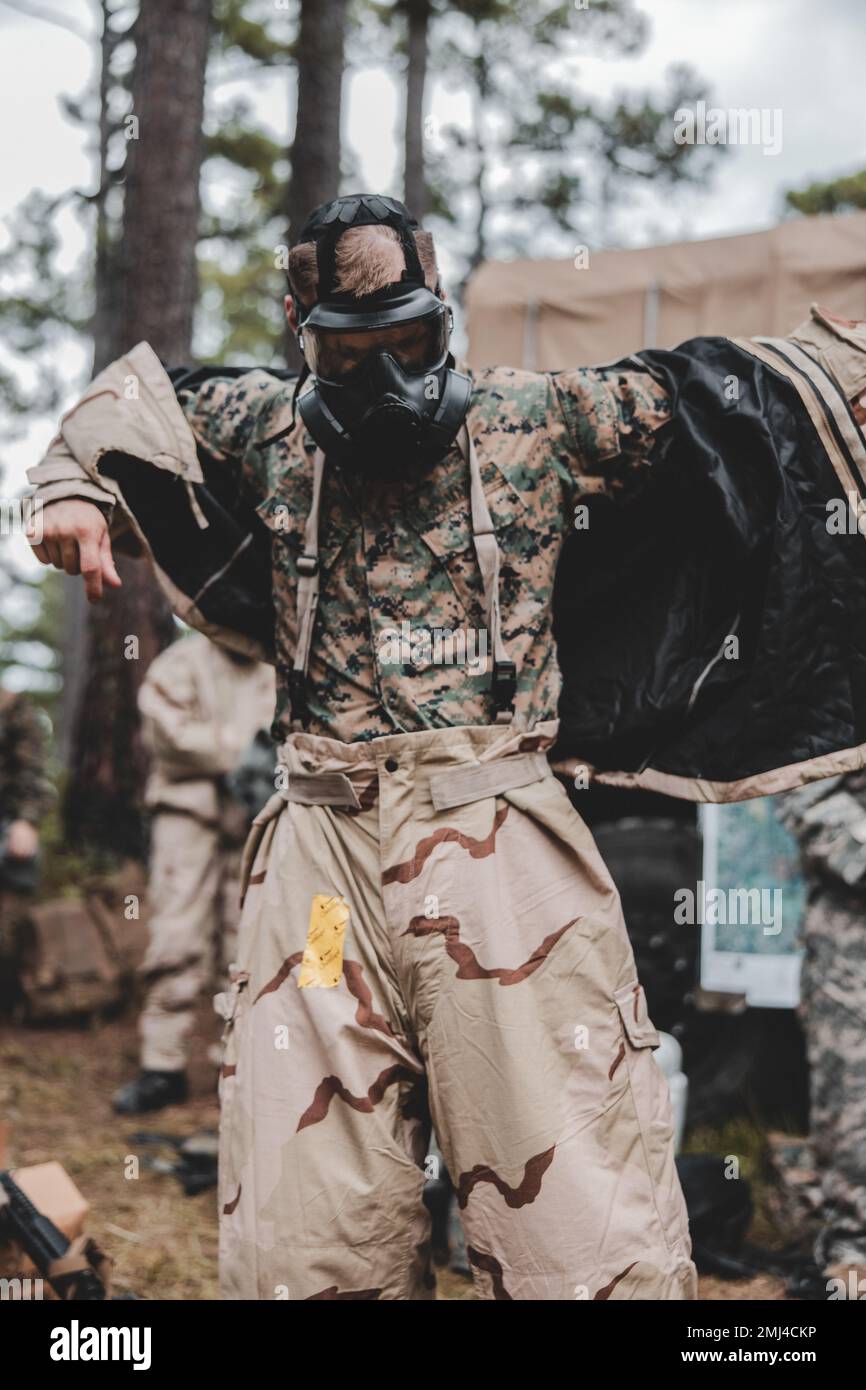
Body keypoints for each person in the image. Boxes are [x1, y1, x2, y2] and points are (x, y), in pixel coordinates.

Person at [23, 193, 866, 1300]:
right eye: (349, 352)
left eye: (408, 343)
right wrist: (70, 489)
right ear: (299, 331)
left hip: (495, 840)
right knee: (307, 1222)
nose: (381, 378)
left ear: (442, 330)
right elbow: (132, 399)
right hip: (321, 870)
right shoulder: (266, 423)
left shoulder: (536, 416)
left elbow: (731, 393)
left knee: (575, 1222)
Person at [113, 631, 275, 1114]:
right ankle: (162, 1065)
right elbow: (168, 734)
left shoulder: (276, 665)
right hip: (188, 818)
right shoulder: (180, 662)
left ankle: (236, 1066)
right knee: (175, 934)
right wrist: (243, 751)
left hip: (255, 817)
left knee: (246, 939)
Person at [776, 776, 866, 1289]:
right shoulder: (842, 698)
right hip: (853, 933)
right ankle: (854, 1252)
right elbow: (805, 789)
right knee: (853, 1099)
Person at [0, 683, 52, 895]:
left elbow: (31, 770)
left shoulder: (11, 707)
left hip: (5, 816)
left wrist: (25, 820)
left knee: (18, 866)